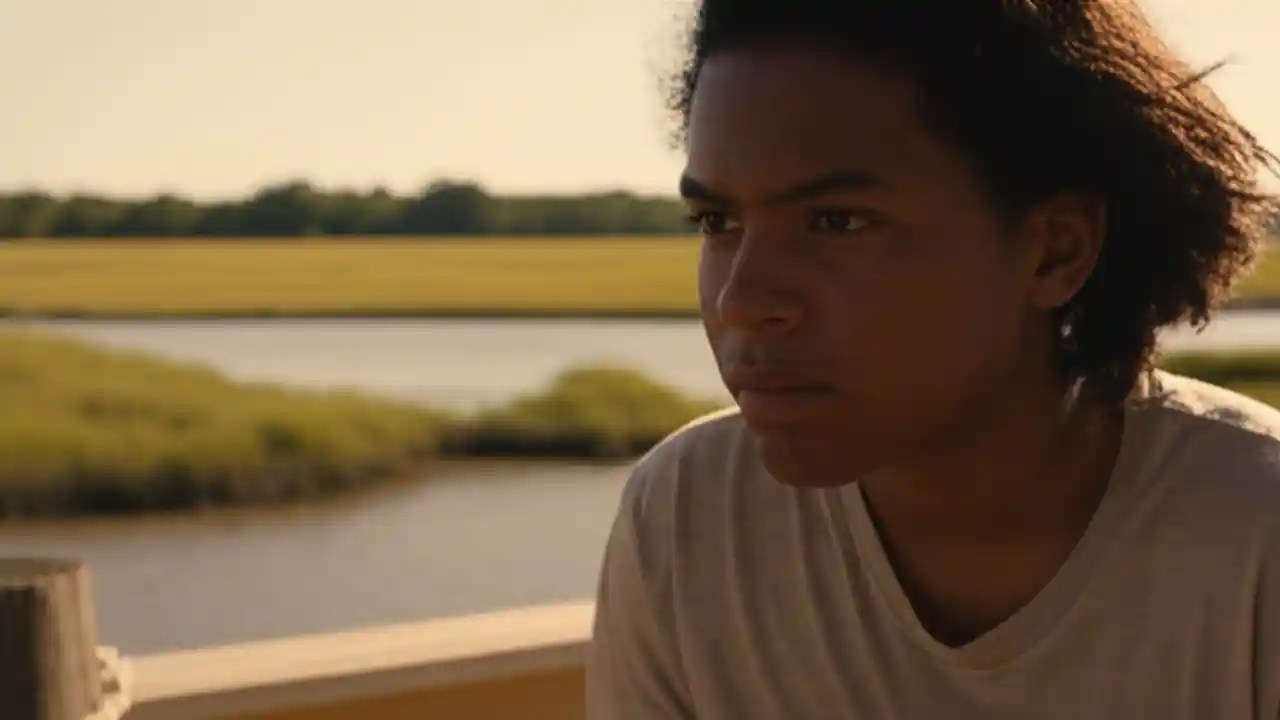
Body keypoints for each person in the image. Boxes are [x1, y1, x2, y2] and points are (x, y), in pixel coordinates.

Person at [585, 1, 1280, 718]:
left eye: (838, 222)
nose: (741, 300)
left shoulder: (1258, 539)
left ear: (1055, 249)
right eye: (717, 223)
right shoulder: (690, 519)